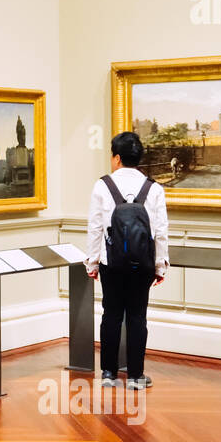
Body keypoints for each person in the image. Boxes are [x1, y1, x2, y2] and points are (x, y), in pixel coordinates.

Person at [84, 132, 169, 389]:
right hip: (142, 264)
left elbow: (95, 228)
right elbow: (161, 231)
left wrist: (93, 263)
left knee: (111, 315)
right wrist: (160, 266)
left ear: (117, 158)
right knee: (137, 317)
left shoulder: (103, 185)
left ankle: (108, 373)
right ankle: (135, 376)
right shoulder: (154, 188)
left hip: (112, 263)